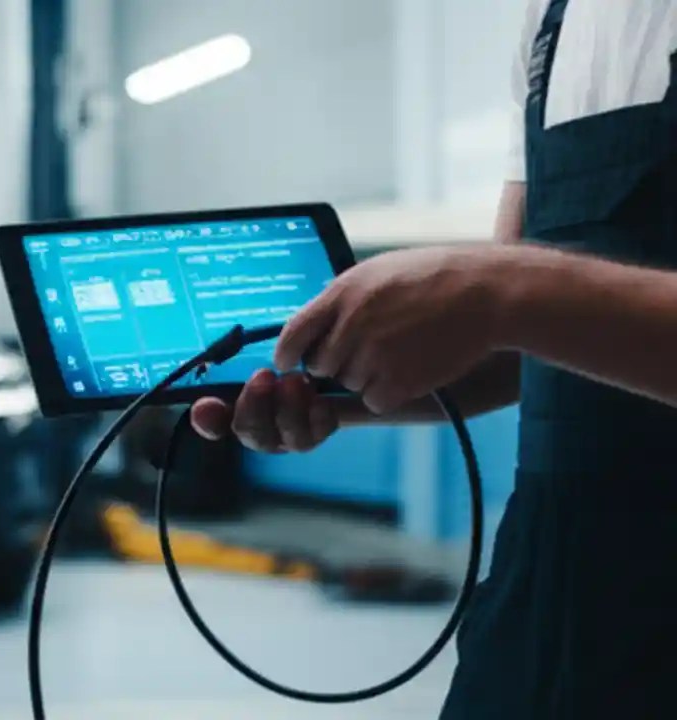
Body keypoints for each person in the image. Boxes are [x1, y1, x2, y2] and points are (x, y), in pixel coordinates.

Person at [193, 1, 676, 717]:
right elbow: (530, 345)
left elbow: (516, 303)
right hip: (551, 590)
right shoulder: (553, 22)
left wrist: (499, 288)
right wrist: (337, 399)